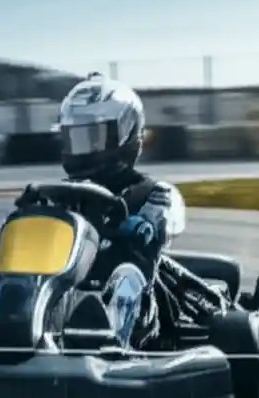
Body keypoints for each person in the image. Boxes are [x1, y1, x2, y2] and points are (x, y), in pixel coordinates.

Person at [42, 73, 219, 349]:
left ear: (124, 135)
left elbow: (165, 219)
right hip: (68, 292)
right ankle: (0, 322)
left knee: (126, 274)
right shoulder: (59, 196)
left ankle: (108, 340)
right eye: (76, 139)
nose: (82, 149)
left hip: (142, 311)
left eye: (92, 138)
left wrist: (141, 226)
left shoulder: (154, 193)